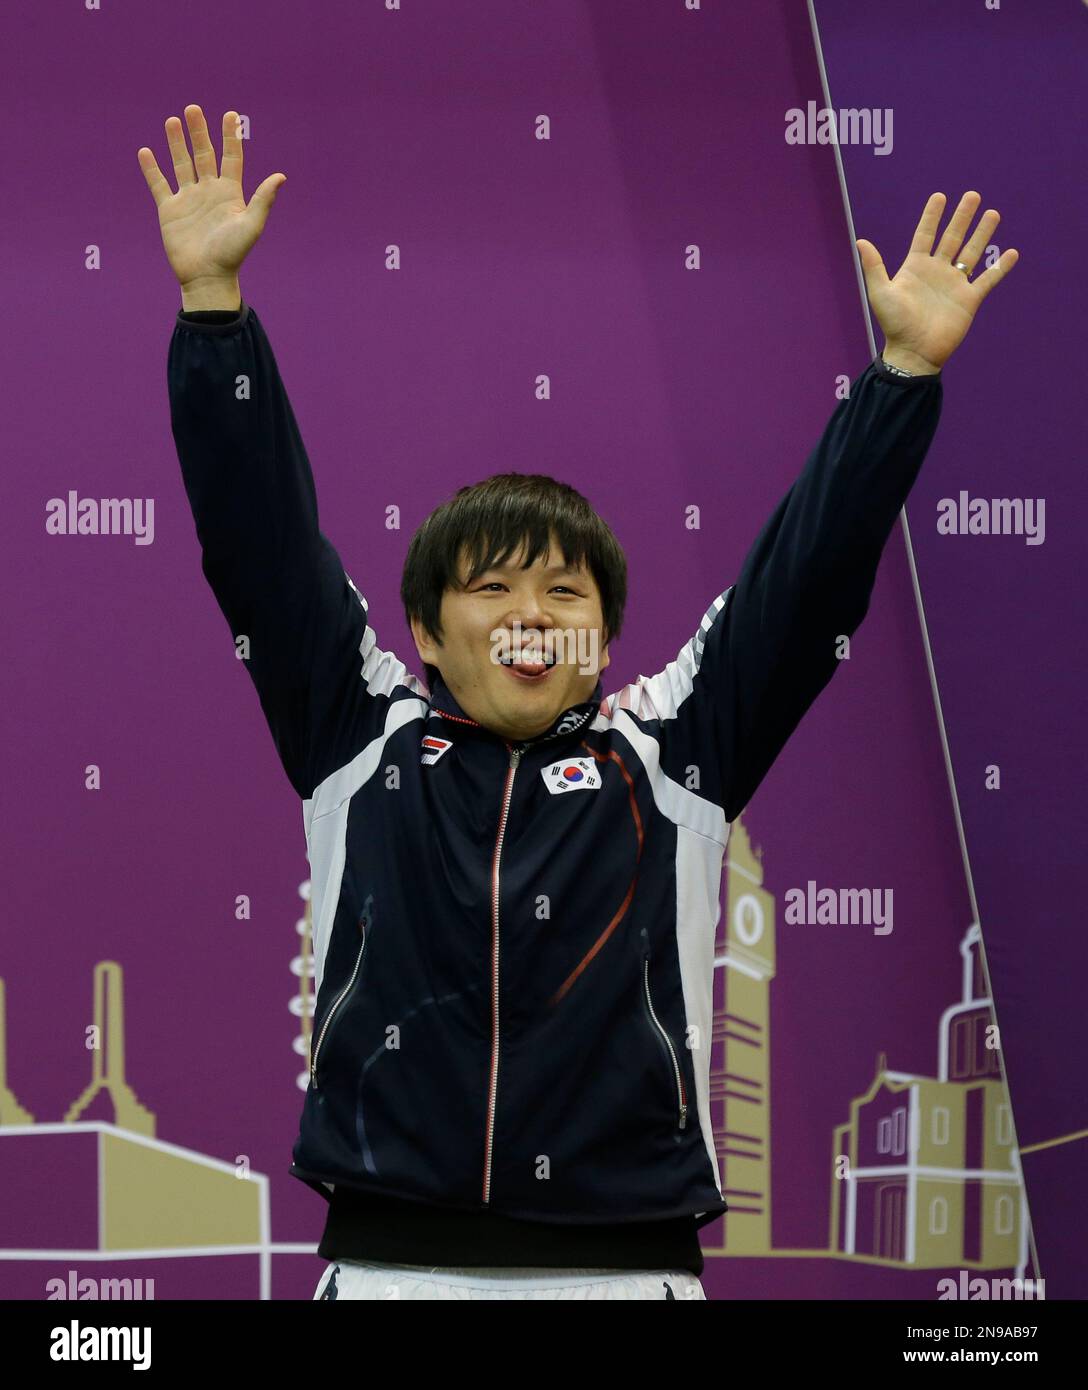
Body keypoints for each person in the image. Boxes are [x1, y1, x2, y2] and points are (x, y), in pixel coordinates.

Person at [138, 104, 1017, 1301]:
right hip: (390, 1273)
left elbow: (805, 575)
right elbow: (258, 542)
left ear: (603, 633)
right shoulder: (357, 740)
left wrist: (901, 375)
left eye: (561, 587)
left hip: (625, 1275)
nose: (527, 613)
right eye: (488, 588)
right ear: (423, 636)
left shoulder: (675, 752)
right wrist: (213, 318)